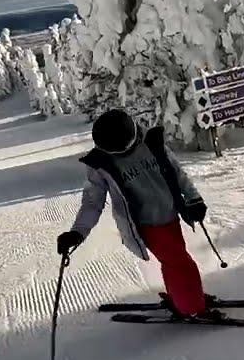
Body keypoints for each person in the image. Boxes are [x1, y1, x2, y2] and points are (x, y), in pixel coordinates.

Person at [56, 109, 219, 319]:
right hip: (146, 224)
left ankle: (181, 296)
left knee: (174, 261)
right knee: (182, 264)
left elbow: (177, 172)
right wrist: (77, 233)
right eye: (115, 151)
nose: (122, 154)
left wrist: (193, 198)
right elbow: (92, 203)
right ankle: (192, 307)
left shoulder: (152, 143)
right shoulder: (100, 165)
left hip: (170, 215)